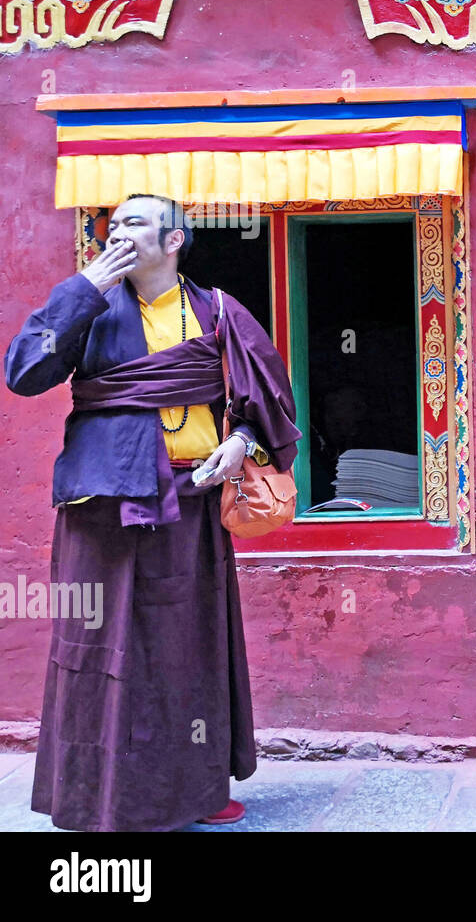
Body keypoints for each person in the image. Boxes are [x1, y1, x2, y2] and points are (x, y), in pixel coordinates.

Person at [3, 193, 300, 831]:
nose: (117, 231)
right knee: (96, 646)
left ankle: (198, 790)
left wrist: (240, 443)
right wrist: (82, 287)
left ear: (174, 243)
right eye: (113, 223)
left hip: (187, 504)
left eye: (136, 222)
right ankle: (94, 797)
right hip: (102, 505)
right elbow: (25, 372)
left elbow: (269, 400)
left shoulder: (217, 310)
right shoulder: (90, 303)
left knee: (188, 648)